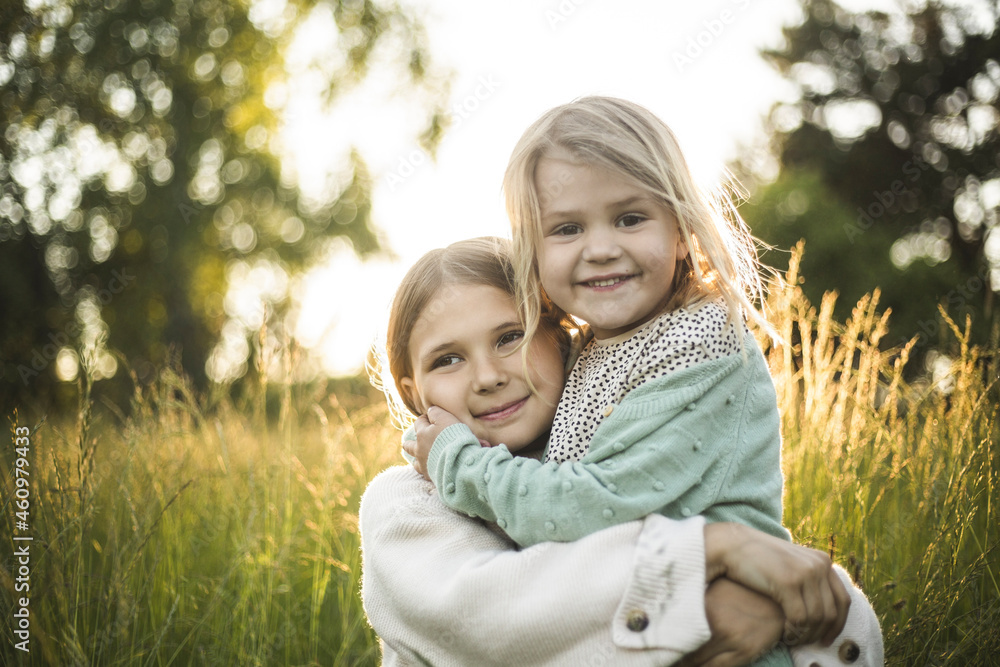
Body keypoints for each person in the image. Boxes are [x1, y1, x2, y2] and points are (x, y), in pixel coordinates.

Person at [404, 98, 877, 665]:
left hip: (721, 642)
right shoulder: (594, 350)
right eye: (566, 228)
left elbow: (590, 516)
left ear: (683, 231)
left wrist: (457, 462)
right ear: (533, 256)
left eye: (630, 218)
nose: (601, 249)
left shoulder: (698, 344)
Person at [363, 237, 853, 666]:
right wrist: (713, 553)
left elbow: (811, 589)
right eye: (448, 360)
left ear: (563, 335)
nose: (488, 376)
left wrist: (776, 605)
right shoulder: (405, 503)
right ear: (413, 392)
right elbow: (493, 622)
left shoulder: (612, 451)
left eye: (511, 337)